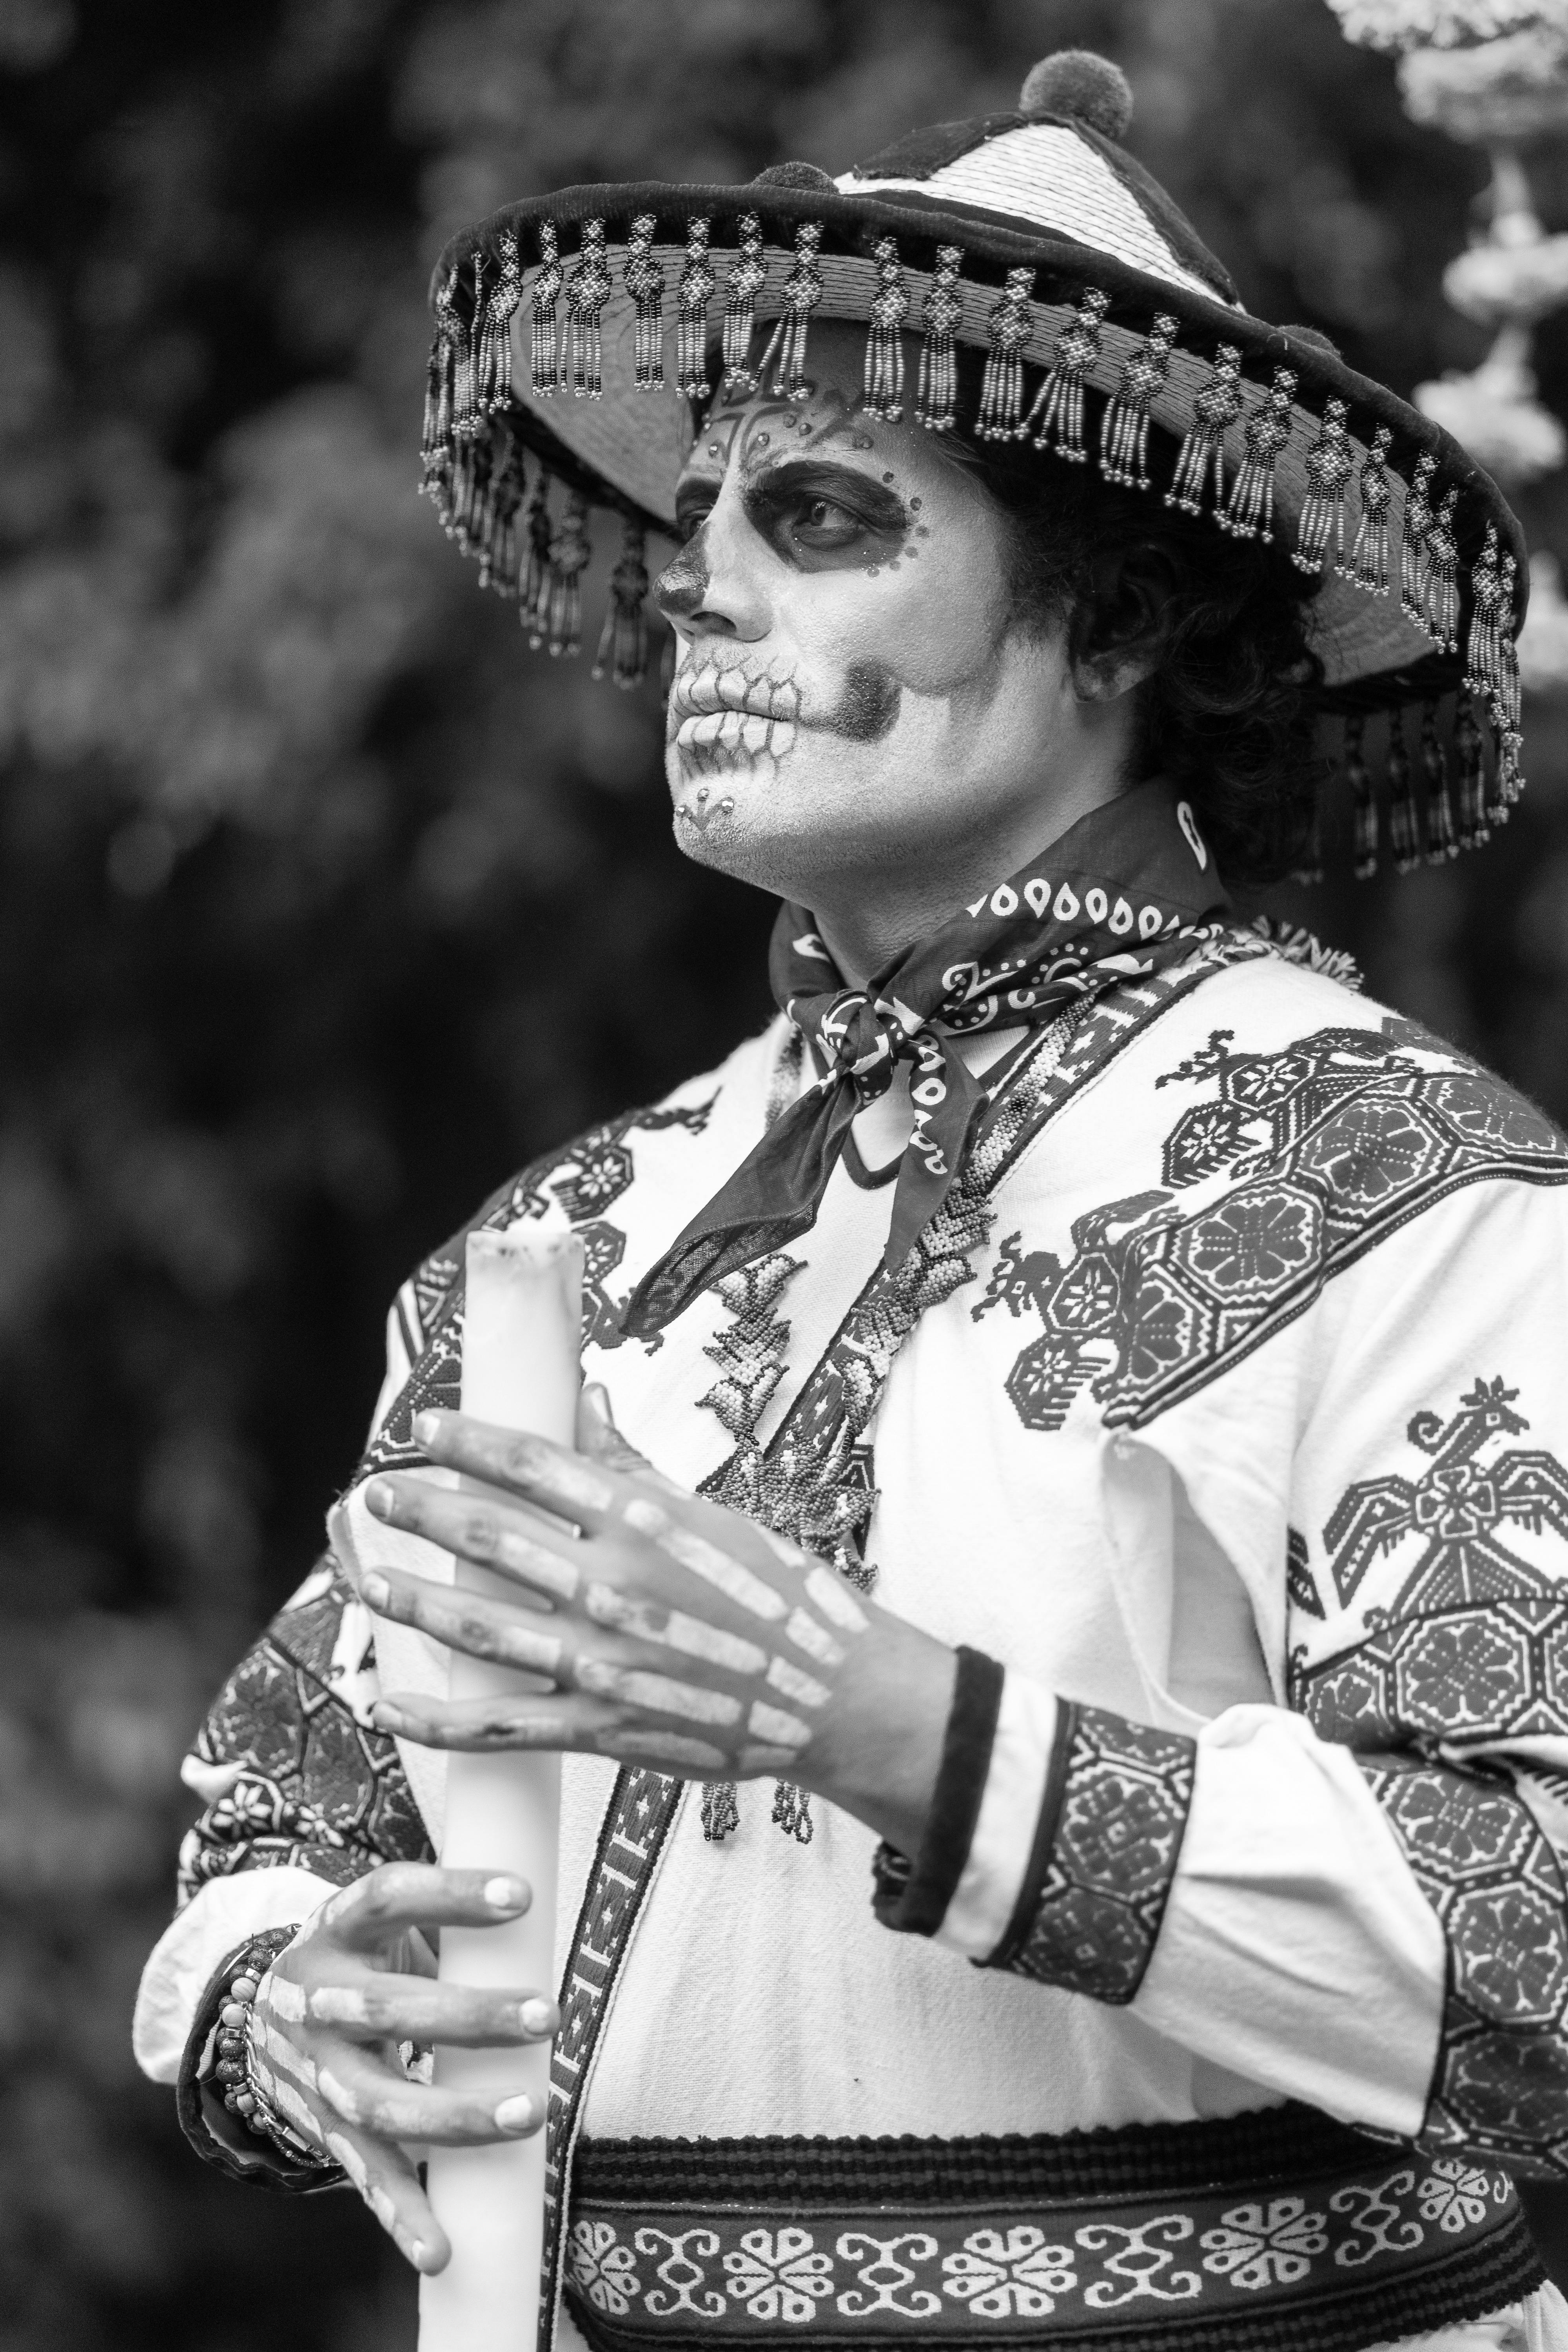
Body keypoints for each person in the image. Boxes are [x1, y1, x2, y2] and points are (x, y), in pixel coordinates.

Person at [135, 48, 1567, 2352]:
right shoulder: (582, 1242)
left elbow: (1550, 1954)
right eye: (698, 522)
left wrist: (891, 1719)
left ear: (1116, 616)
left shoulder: (1406, 1198)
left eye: (819, 519)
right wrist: (287, 1998)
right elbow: (271, 1816)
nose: (696, 584)